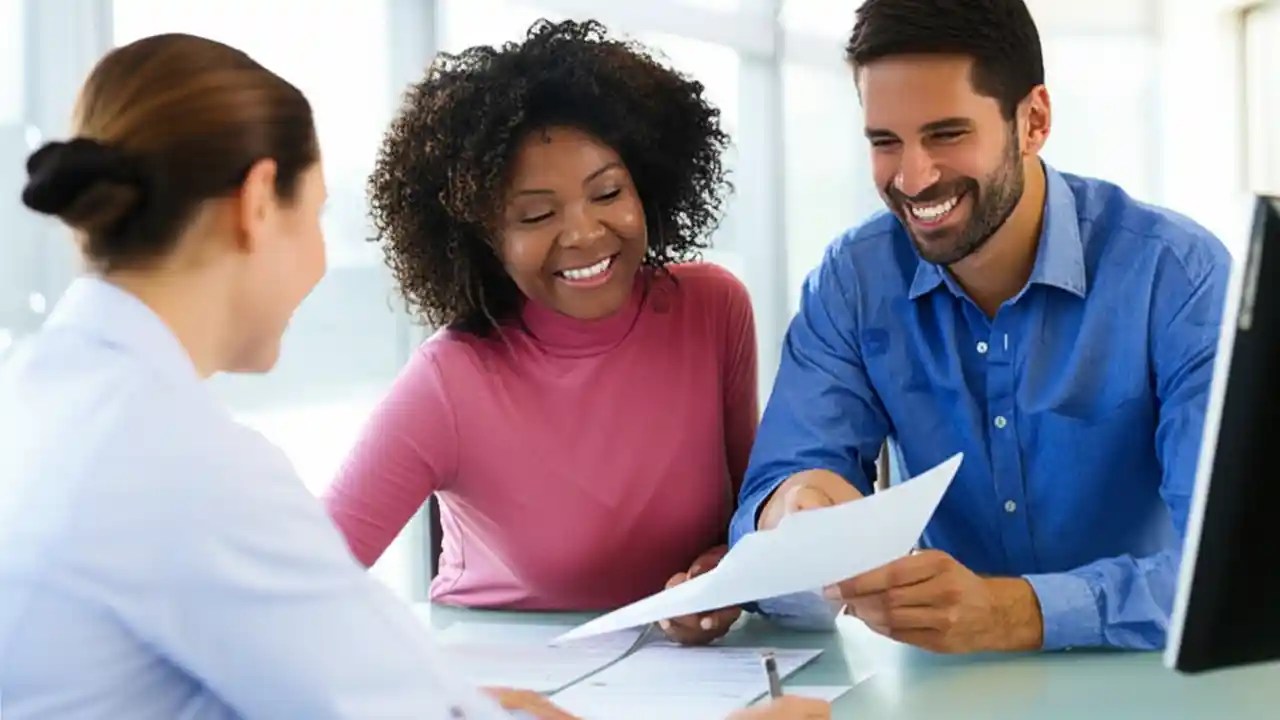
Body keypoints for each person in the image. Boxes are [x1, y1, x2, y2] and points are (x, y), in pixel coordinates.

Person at [0, 32, 829, 720]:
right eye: (317, 212)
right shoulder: (191, 471)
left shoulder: (44, 401)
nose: (323, 261)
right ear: (259, 204)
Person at [733, 0, 1231, 654]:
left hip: (1152, 677)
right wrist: (797, 517)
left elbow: (1232, 564)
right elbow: (762, 531)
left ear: (1034, 122)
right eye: (885, 142)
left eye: (946, 134)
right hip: (948, 685)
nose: (912, 178)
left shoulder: (1177, 276)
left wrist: (1016, 611)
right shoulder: (852, 283)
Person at [323, 19, 755, 646]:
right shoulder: (450, 378)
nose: (583, 233)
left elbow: (754, 510)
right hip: (500, 678)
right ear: (483, 238)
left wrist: (724, 572)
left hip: (691, 677)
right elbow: (314, 577)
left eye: (607, 193)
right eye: (536, 214)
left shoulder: (712, 309)